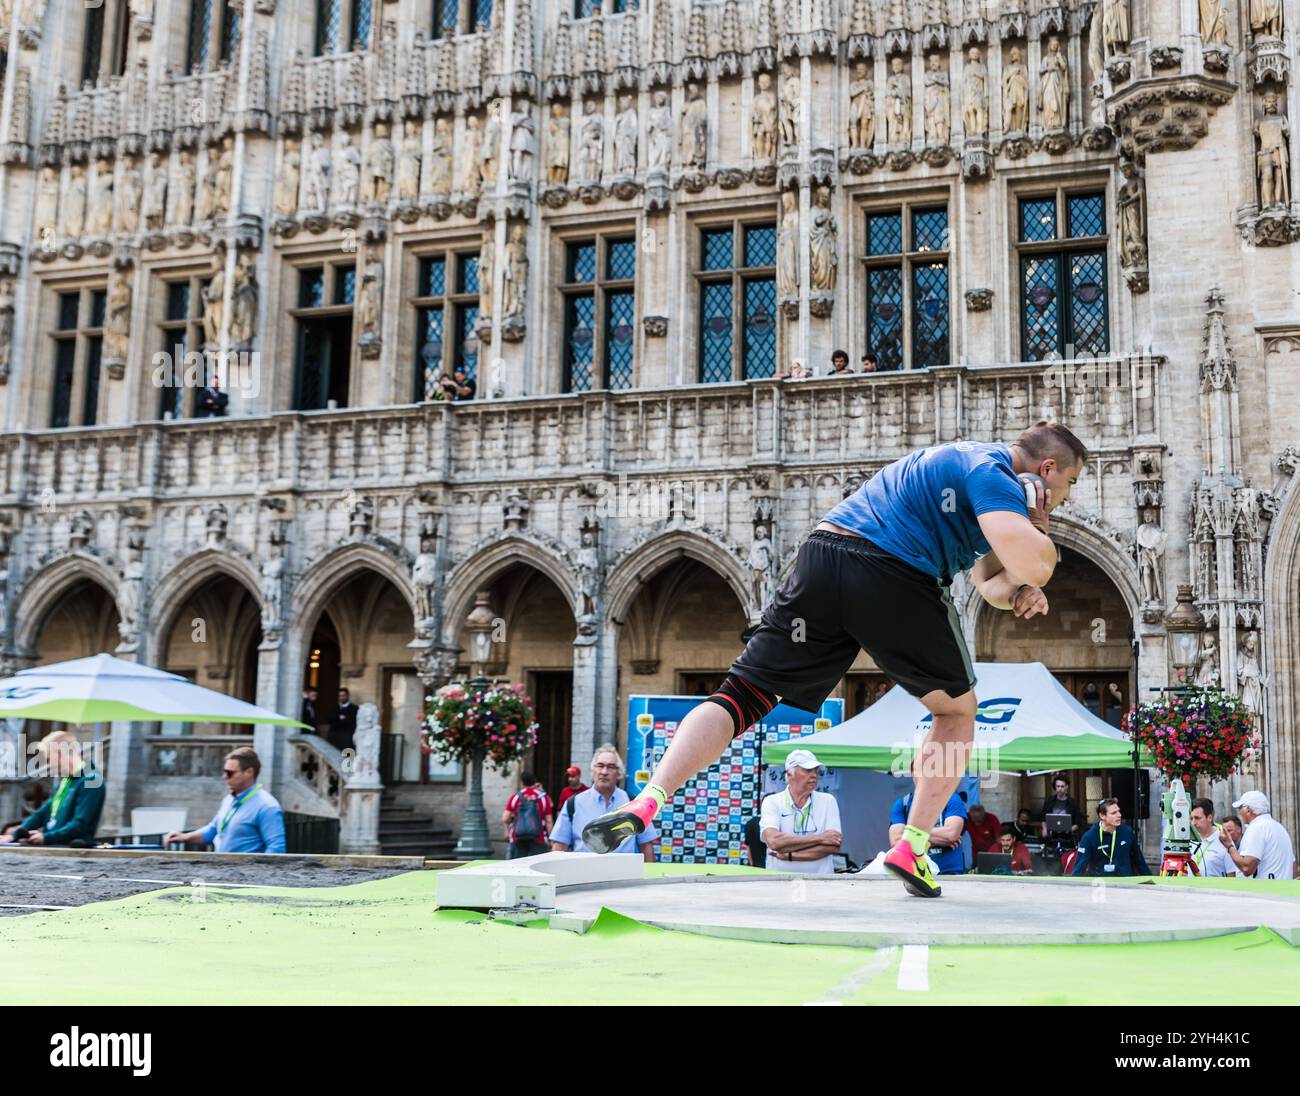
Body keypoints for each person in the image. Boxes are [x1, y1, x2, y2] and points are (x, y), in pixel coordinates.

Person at [579, 420, 1085, 900]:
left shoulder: (972, 470)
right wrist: (1038, 530)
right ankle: (912, 846)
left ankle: (647, 801)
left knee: (743, 694)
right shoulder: (993, 473)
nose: (1068, 495)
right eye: (1071, 481)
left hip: (824, 555)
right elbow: (1039, 561)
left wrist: (1017, 591)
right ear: (1046, 470)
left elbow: (990, 580)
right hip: (892, 570)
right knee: (956, 712)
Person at [164, 747, 286, 853]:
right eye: (224, 772)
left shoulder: (267, 806)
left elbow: (277, 849)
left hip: (247, 877)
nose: (224, 777)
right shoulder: (229, 799)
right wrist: (184, 837)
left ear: (249, 772)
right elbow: (213, 830)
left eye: (230, 773)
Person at [549, 744, 657, 860]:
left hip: (624, 875)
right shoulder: (573, 804)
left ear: (618, 773)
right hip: (584, 875)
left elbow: (646, 846)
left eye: (611, 767)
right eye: (600, 766)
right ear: (593, 770)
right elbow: (559, 846)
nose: (604, 772)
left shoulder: (634, 804)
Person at [0, 732, 105, 847]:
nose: (49, 765)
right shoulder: (67, 780)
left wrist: (46, 837)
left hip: (75, 855)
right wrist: (14, 835)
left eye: (49, 759)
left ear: (59, 753)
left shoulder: (92, 780)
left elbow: (79, 826)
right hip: (57, 850)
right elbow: (42, 814)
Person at [759, 749, 842, 874]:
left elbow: (833, 846)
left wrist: (790, 855)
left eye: (816, 771)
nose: (814, 775)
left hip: (820, 883)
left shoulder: (828, 800)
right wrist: (820, 838)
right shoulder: (772, 801)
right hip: (779, 883)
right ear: (789, 774)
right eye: (807, 770)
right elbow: (774, 841)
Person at [889, 783, 967, 876]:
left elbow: (951, 835)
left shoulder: (952, 798)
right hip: (914, 874)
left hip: (949, 873)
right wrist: (937, 839)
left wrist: (908, 834)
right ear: (913, 773)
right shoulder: (902, 804)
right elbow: (896, 842)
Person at [1220, 790, 1296, 880]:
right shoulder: (1279, 827)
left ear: (1248, 810)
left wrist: (1229, 846)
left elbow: (1247, 868)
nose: (1239, 813)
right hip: (1284, 890)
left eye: (1241, 808)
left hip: (1265, 891)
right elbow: (1294, 868)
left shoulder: (1256, 828)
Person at [1071, 798, 1150, 877]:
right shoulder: (1089, 837)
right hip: (1100, 885)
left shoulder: (1127, 832)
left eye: (1119, 811)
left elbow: (1139, 861)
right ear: (1102, 815)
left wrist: (1150, 882)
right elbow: (1079, 867)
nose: (1119, 815)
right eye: (1114, 813)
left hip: (1125, 883)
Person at [503, 771, 552, 859]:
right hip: (538, 838)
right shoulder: (542, 798)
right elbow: (549, 820)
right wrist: (550, 839)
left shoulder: (515, 797)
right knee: (537, 868)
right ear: (534, 781)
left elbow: (506, 818)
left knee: (518, 867)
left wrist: (506, 832)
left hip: (517, 837)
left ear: (522, 782)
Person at [1188, 797, 1233, 878]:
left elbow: (1232, 875)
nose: (1193, 823)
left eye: (1197, 818)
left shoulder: (1224, 840)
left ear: (1210, 818)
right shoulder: (1187, 840)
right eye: (1191, 818)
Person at [330, 687, 358, 752]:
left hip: (348, 739)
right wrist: (339, 717)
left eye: (343, 695)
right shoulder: (334, 707)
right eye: (340, 696)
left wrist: (341, 719)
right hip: (335, 738)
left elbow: (353, 720)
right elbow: (329, 718)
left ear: (347, 696)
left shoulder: (354, 708)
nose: (341, 697)